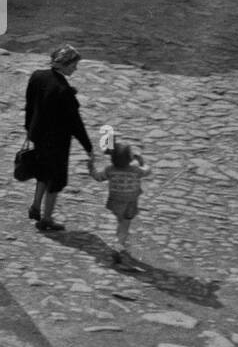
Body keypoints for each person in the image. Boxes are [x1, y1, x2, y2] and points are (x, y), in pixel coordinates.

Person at [23, 44, 93, 231]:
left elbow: (30, 105)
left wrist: (29, 129)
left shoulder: (37, 76)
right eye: (73, 65)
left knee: (42, 173)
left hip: (38, 135)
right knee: (55, 180)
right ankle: (46, 218)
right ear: (63, 65)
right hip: (58, 142)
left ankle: (36, 206)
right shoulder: (64, 91)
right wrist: (88, 147)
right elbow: (76, 124)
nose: (75, 69)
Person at [89, 140, 150, 265]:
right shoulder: (135, 170)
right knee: (125, 227)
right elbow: (147, 171)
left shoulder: (110, 170)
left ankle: (119, 241)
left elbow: (98, 177)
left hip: (115, 202)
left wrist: (91, 168)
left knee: (120, 222)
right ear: (129, 159)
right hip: (130, 203)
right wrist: (141, 160)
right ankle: (118, 247)